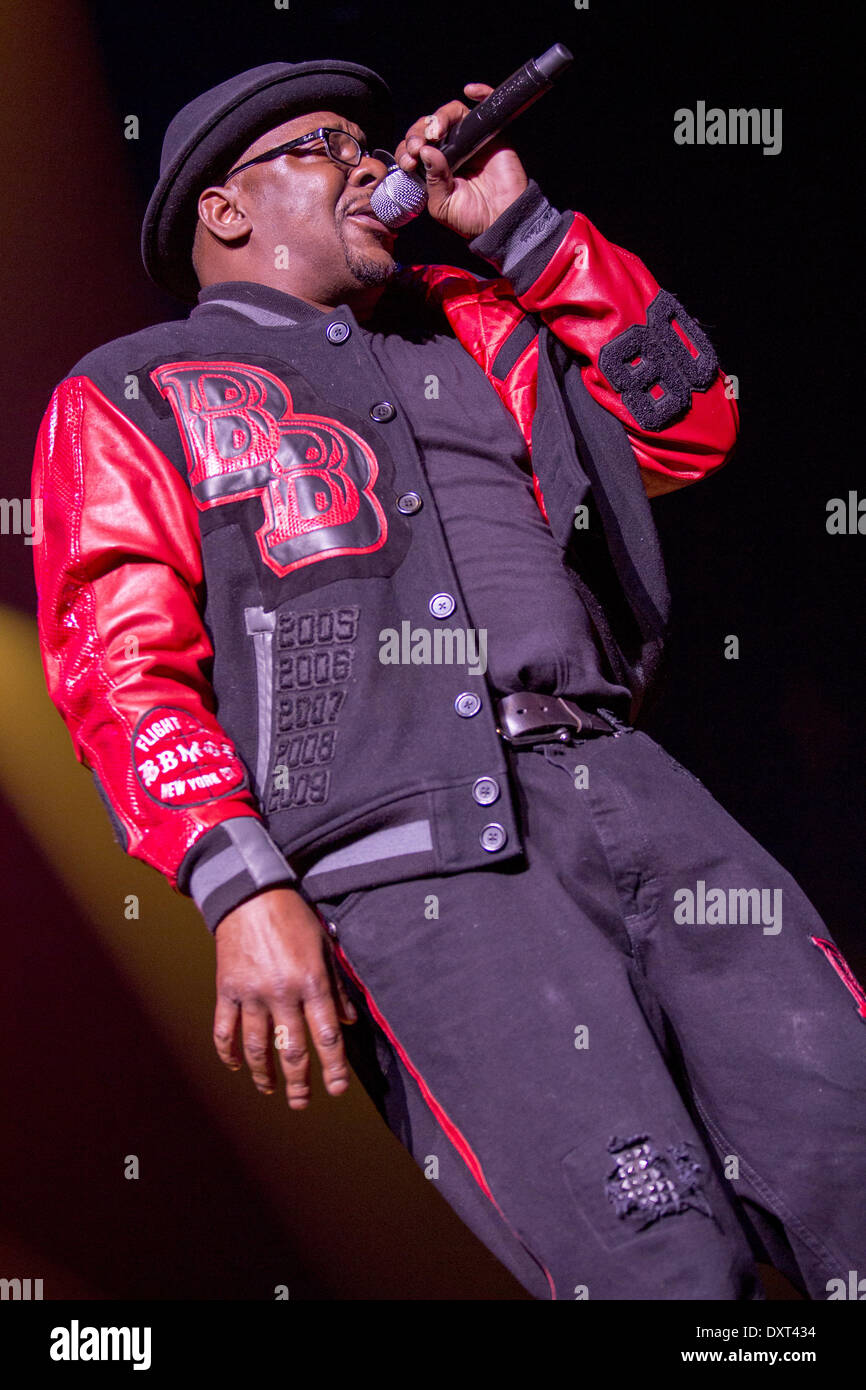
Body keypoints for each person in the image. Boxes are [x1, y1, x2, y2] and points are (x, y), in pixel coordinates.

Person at [31, 57, 866, 1301]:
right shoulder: (133, 389)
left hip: (631, 792)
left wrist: (522, 231)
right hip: (416, 876)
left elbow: (689, 423)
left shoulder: (475, 325)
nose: (371, 165)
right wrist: (239, 882)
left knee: (845, 1160)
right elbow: (119, 659)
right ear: (225, 208)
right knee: (660, 1262)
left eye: (373, 144)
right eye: (326, 147)